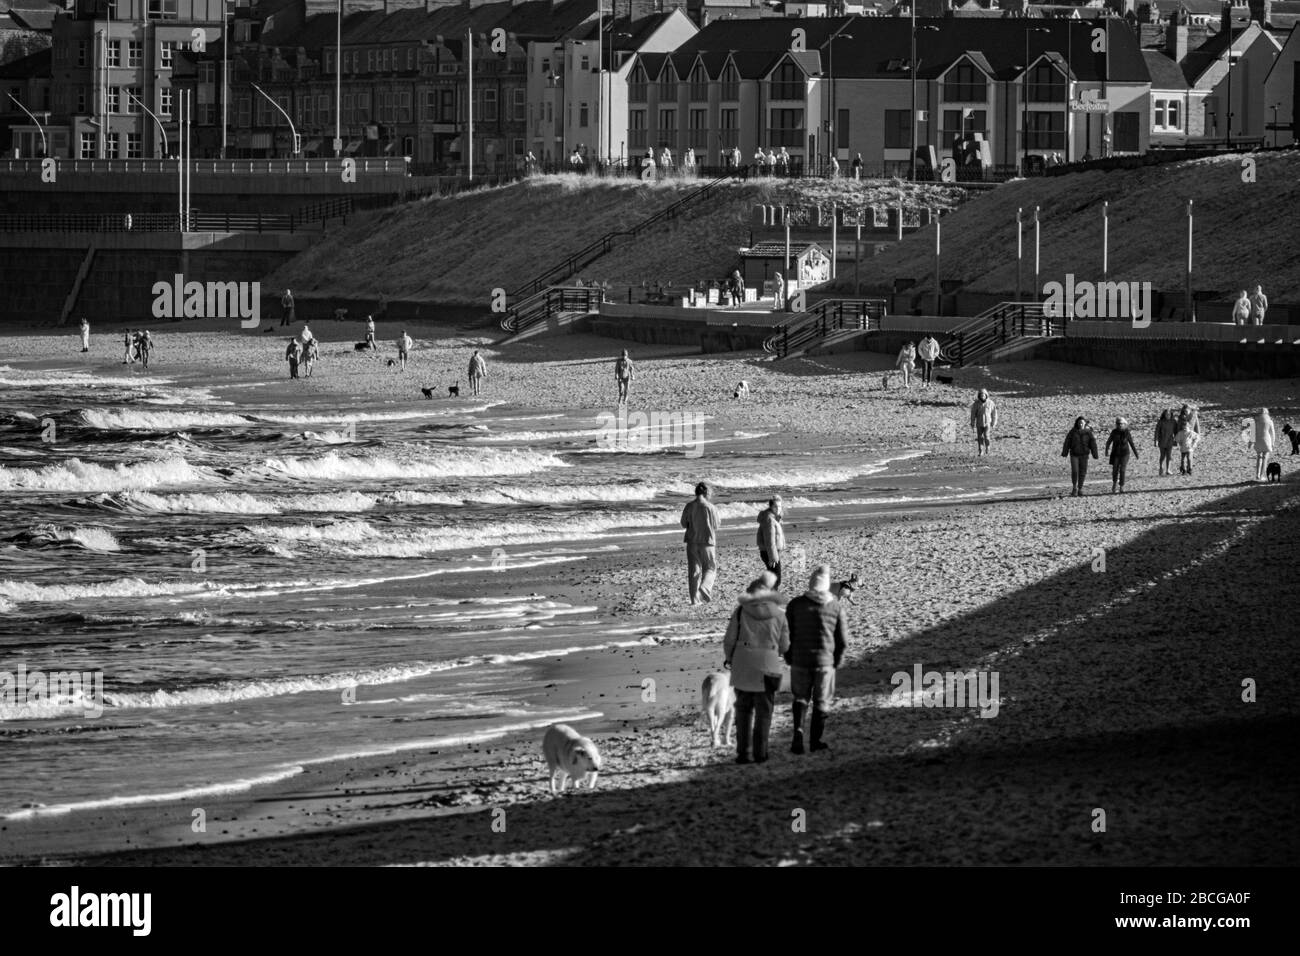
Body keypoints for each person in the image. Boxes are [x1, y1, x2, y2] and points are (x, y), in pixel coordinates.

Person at [722, 571, 789, 765]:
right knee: (764, 711)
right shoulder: (779, 614)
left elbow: (729, 640)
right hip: (768, 664)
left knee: (743, 711)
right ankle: (761, 753)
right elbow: (785, 645)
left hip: (743, 664)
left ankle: (744, 753)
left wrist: (730, 659)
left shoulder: (741, 611)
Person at [784, 565, 849, 755]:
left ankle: (798, 731)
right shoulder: (835, 607)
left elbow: (786, 634)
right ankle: (815, 741)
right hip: (824, 661)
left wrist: (789, 656)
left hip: (799, 660)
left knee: (801, 697)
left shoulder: (795, 604)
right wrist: (836, 661)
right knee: (821, 701)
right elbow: (842, 640)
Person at [681, 481, 720, 605]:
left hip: (692, 541)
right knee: (710, 568)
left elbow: (683, 523)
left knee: (694, 571)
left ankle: (694, 599)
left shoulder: (689, 506)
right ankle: (704, 588)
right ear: (706, 492)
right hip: (707, 541)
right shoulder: (710, 507)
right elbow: (716, 525)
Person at [1062, 416, 1099, 496]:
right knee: (1075, 471)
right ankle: (1074, 487)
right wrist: (1065, 452)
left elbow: (1093, 444)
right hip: (1074, 454)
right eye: (1079, 423)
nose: (1080, 424)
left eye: (1082, 423)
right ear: (1077, 423)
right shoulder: (1072, 432)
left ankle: (1080, 488)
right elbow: (1067, 442)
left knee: (1083, 472)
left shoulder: (1088, 433)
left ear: (1085, 423)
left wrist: (1095, 454)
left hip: (1084, 455)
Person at [756, 495, 785, 589]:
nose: (778, 509)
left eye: (780, 506)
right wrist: (772, 557)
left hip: (771, 551)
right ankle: (771, 599)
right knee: (776, 580)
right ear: (771, 507)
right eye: (775, 506)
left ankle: (769, 598)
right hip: (769, 552)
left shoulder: (774, 518)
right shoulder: (769, 519)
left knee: (773, 579)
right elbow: (769, 540)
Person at [1105, 417, 1139, 493]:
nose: (1120, 425)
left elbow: (1131, 443)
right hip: (1115, 453)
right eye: (1118, 424)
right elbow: (1109, 441)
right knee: (1115, 470)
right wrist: (1106, 450)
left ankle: (1121, 486)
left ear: (1124, 424)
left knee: (1122, 470)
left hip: (1125, 453)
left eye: (1121, 424)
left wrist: (1136, 453)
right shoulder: (1114, 432)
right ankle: (1114, 484)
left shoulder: (1127, 432)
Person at [969, 388, 998, 455]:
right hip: (979, 423)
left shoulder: (990, 403)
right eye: (981, 395)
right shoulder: (976, 404)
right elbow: (973, 414)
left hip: (987, 423)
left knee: (986, 436)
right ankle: (981, 450)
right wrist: (972, 423)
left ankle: (988, 447)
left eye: (984, 395)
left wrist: (994, 422)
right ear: (979, 396)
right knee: (980, 437)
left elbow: (994, 413)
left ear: (986, 395)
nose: (982, 396)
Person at [1251, 407, 1275, 481]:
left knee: (1259, 457)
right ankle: (1262, 475)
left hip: (1258, 441)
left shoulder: (1255, 421)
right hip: (1267, 441)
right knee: (1265, 458)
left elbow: (1252, 433)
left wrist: (1251, 442)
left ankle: (1257, 474)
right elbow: (1272, 433)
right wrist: (1273, 442)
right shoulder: (1269, 421)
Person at [1154, 408, 1178, 476]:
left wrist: (1177, 440)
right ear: (1164, 415)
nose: (1168, 415)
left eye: (1169, 414)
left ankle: (1168, 469)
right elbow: (1157, 432)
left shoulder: (1173, 421)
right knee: (1162, 455)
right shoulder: (1161, 421)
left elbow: (1176, 431)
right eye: (1166, 414)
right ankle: (1161, 467)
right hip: (1162, 441)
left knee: (1169, 456)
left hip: (1170, 441)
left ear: (1171, 414)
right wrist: (1156, 441)